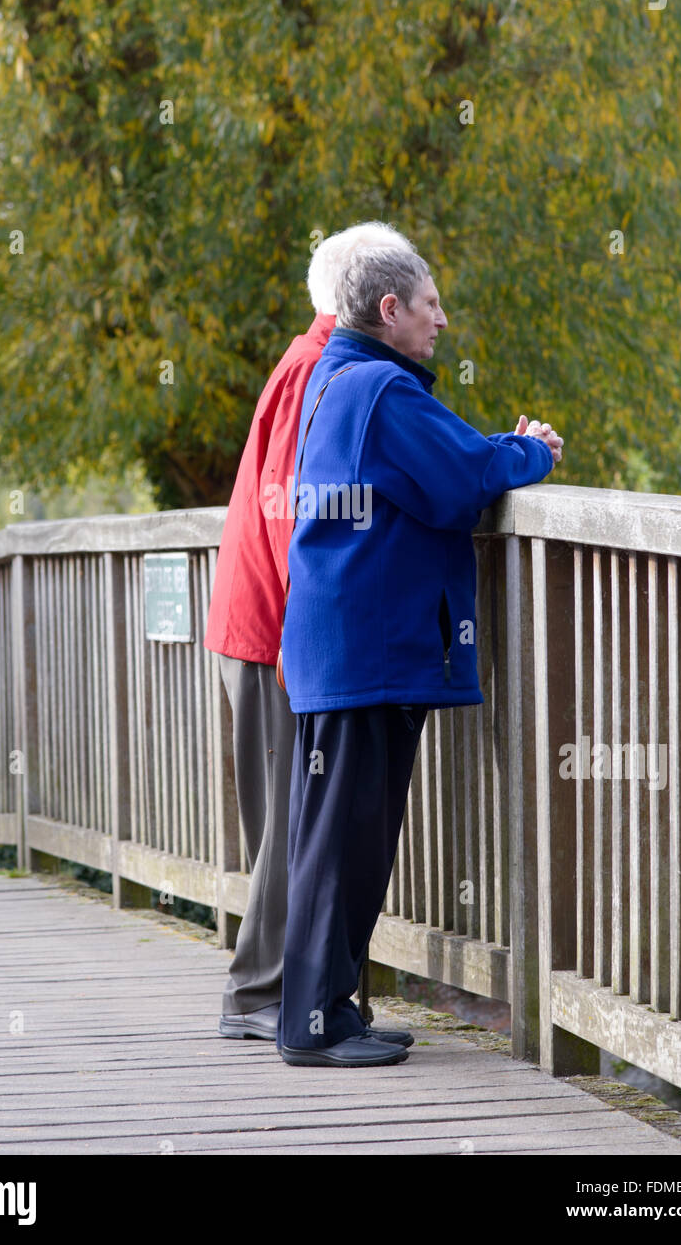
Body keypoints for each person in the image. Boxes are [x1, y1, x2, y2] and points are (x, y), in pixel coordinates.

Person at [276, 243, 563, 1066]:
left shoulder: (340, 378)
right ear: (388, 310)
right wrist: (532, 449)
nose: (442, 319)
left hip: (348, 648)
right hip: (364, 652)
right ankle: (315, 1026)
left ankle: (333, 1010)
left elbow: (439, 466)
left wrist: (493, 452)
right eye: (430, 303)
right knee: (343, 844)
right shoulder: (378, 388)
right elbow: (460, 474)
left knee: (344, 839)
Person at [204, 221, 417, 1048]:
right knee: (295, 826)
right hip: (273, 631)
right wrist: (319, 637)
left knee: (293, 822)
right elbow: (300, 507)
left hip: (265, 625)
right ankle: (262, 994)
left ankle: (291, 993)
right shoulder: (320, 372)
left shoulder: (319, 362)